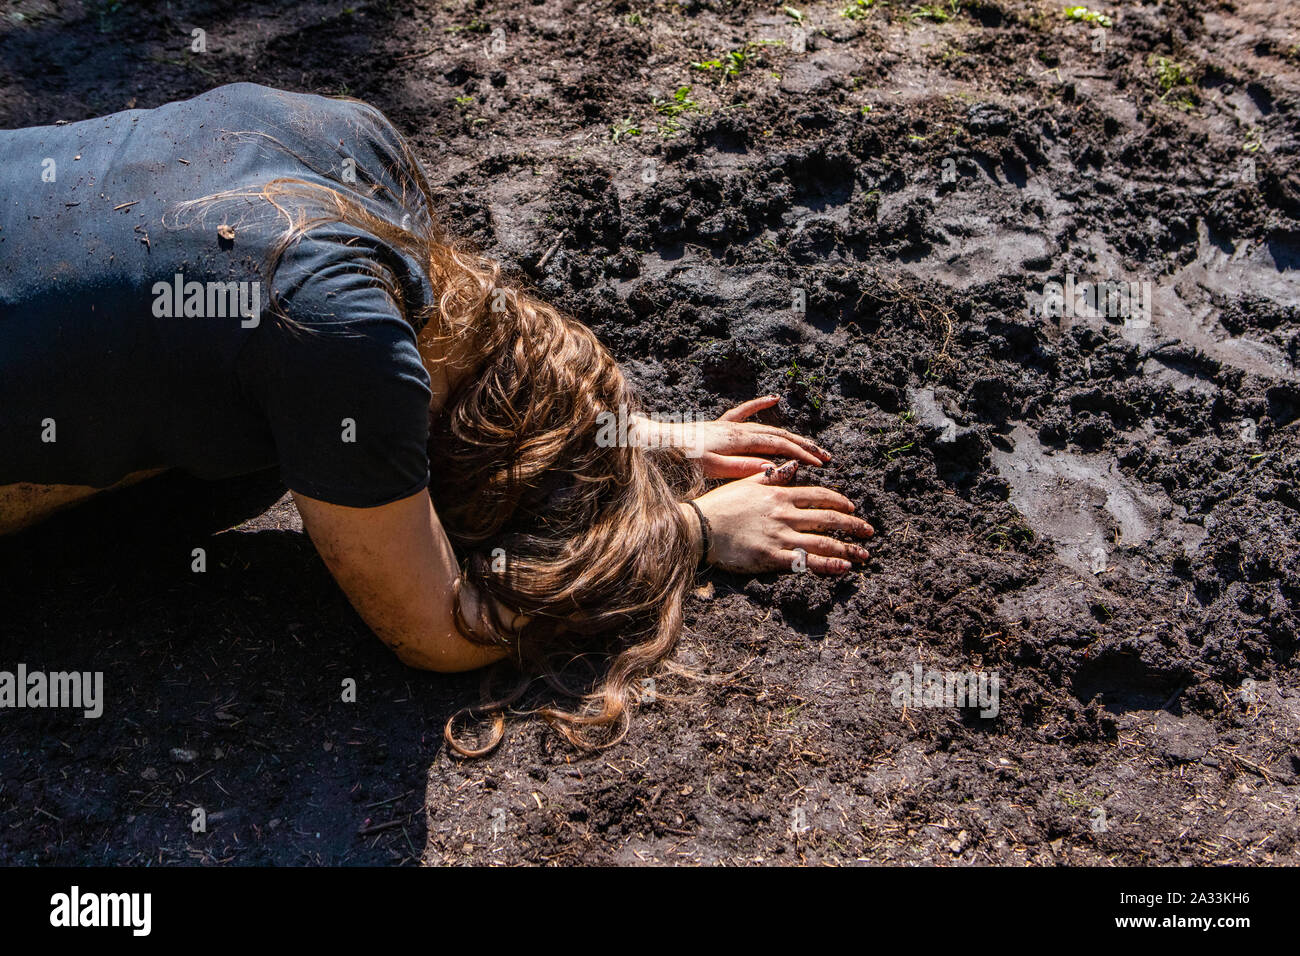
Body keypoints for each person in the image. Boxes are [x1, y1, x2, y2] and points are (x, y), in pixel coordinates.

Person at [0, 83, 873, 751]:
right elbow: (434, 633)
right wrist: (684, 533)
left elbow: (447, 349)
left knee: (235, 434)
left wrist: (625, 432)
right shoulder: (340, 349)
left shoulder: (361, 147)